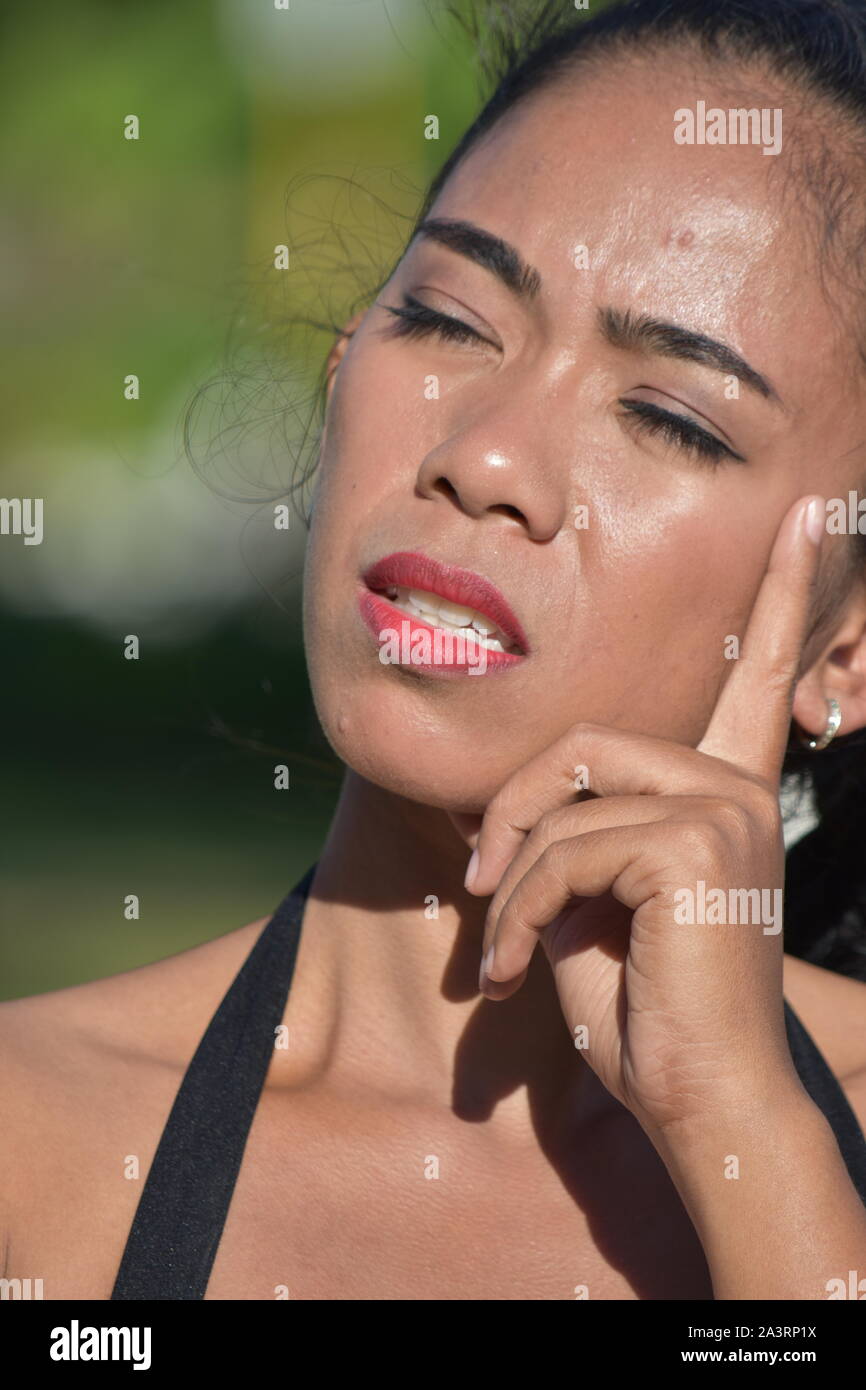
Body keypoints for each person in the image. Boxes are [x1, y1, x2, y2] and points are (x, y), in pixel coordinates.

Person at [4, 0, 866, 1301]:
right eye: (452, 321)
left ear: (844, 652)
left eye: (668, 415)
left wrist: (741, 1132)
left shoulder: (812, 1147)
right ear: (345, 362)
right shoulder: (33, 1149)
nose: (485, 457)